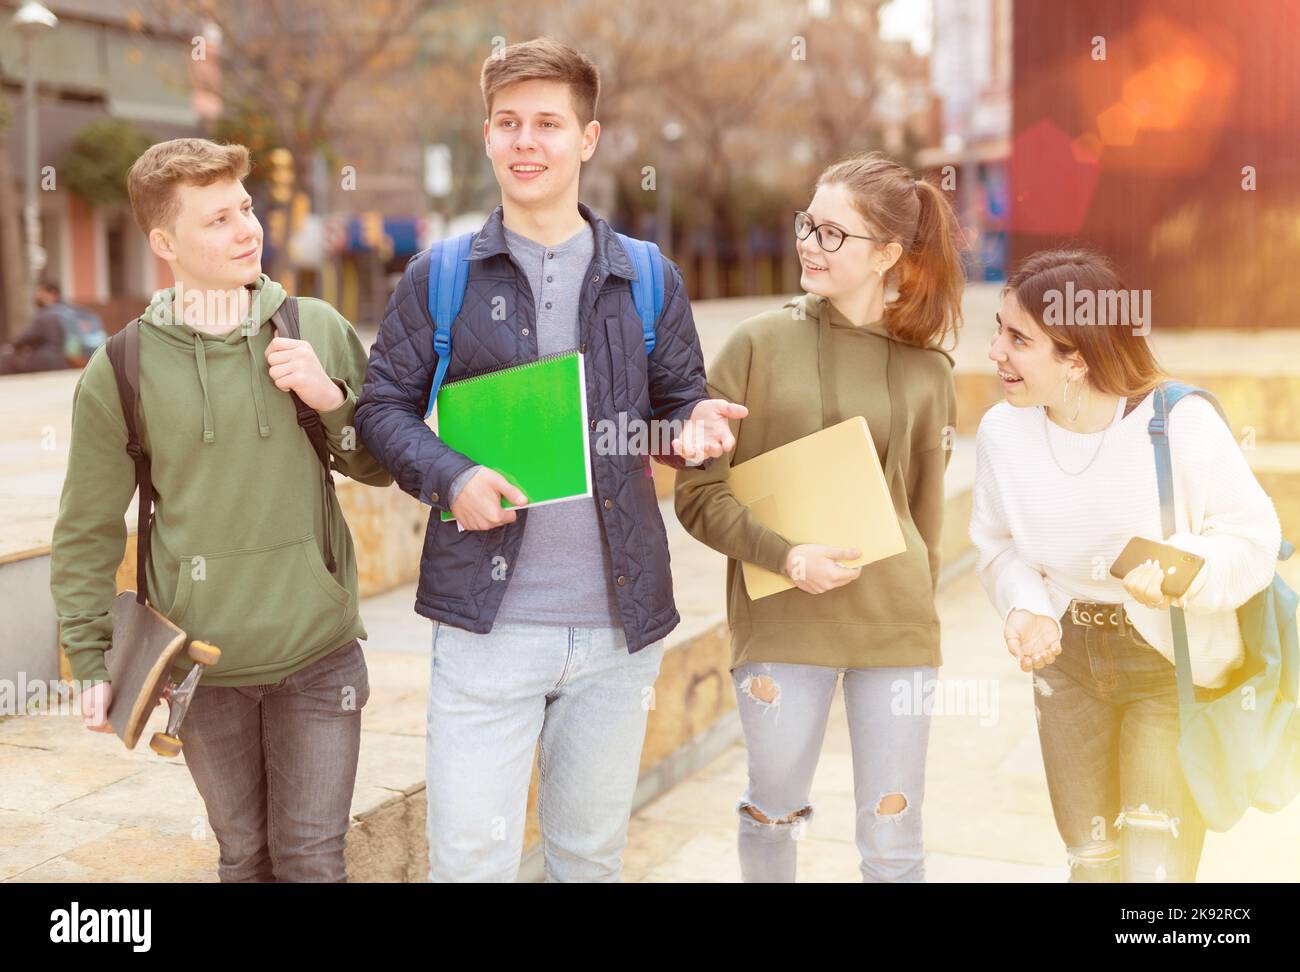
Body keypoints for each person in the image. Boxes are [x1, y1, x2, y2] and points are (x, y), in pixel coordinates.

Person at [355, 36, 745, 883]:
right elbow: (379, 407)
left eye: (547, 123)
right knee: (471, 863)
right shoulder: (442, 276)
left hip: (618, 629)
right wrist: (452, 474)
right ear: (486, 138)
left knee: (589, 859)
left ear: (587, 139)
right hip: (487, 630)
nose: (527, 141)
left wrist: (695, 426)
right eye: (508, 123)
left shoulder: (647, 277)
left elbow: (675, 409)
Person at [50, 137, 392, 882]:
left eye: (245, 207)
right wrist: (88, 657)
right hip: (201, 670)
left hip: (317, 654)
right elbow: (85, 528)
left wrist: (330, 399)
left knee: (311, 857)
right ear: (164, 242)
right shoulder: (123, 368)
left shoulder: (314, 328)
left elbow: (377, 466)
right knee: (243, 857)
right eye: (218, 219)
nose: (247, 229)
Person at [674, 151, 964, 882]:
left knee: (894, 838)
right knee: (773, 811)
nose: (809, 242)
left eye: (834, 233)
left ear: (888, 254)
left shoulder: (930, 373)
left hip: (894, 627)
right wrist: (786, 556)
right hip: (782, 620)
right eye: (808, 224)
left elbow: (923, 517)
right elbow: (698, 494)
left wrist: (917, 614)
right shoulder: (755, 346)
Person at [969, 248, 1282, 881]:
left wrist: (1185, 566)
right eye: (998, 329)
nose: (995, 351)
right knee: (1091, 861)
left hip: (1165, 663)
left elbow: (1254, 536)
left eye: (1018, 338)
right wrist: (1027, 608)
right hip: (1066, 667)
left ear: (1076, 359)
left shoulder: (1178, 422)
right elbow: (997, 544)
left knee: (1152, 865)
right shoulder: (1003, 432)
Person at [0, 281, 77, 374]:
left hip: (47, 360)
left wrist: (11, 345)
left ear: (53, 295)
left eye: (40, 293)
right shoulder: (68, 312)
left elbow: (27, 337)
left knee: (7, 358)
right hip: (66, 361)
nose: (36, 296)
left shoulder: (46, 314)